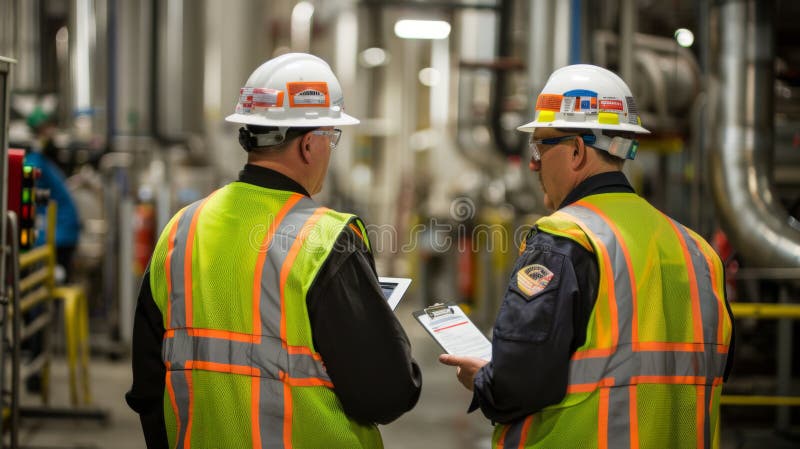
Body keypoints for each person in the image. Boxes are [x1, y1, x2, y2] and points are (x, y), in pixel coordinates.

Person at [126, 53, 422, 449]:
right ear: (309, 144)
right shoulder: (327, 240)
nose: (330, 149)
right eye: (332, 137)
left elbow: (148, 387)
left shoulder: (181, 230)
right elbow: (385, 393)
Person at [439, 64, 735, 448]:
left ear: (577, 151)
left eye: (540, 146)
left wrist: (483, 379)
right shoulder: (698, 251)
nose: (533, 163)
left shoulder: (565, 240)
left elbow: (515, 384)